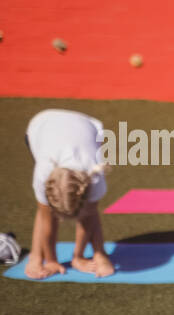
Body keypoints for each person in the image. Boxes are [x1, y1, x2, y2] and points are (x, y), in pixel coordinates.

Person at [24, 109, 114, 279]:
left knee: (89, 211)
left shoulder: (94, 173)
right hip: (40, 125)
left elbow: (89, 216)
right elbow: (47, 221)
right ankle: (37, 255)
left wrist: (78, 257)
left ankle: (99, 252)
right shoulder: (44, 172)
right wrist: (51, 261)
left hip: (87, 124)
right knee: (45, 212)